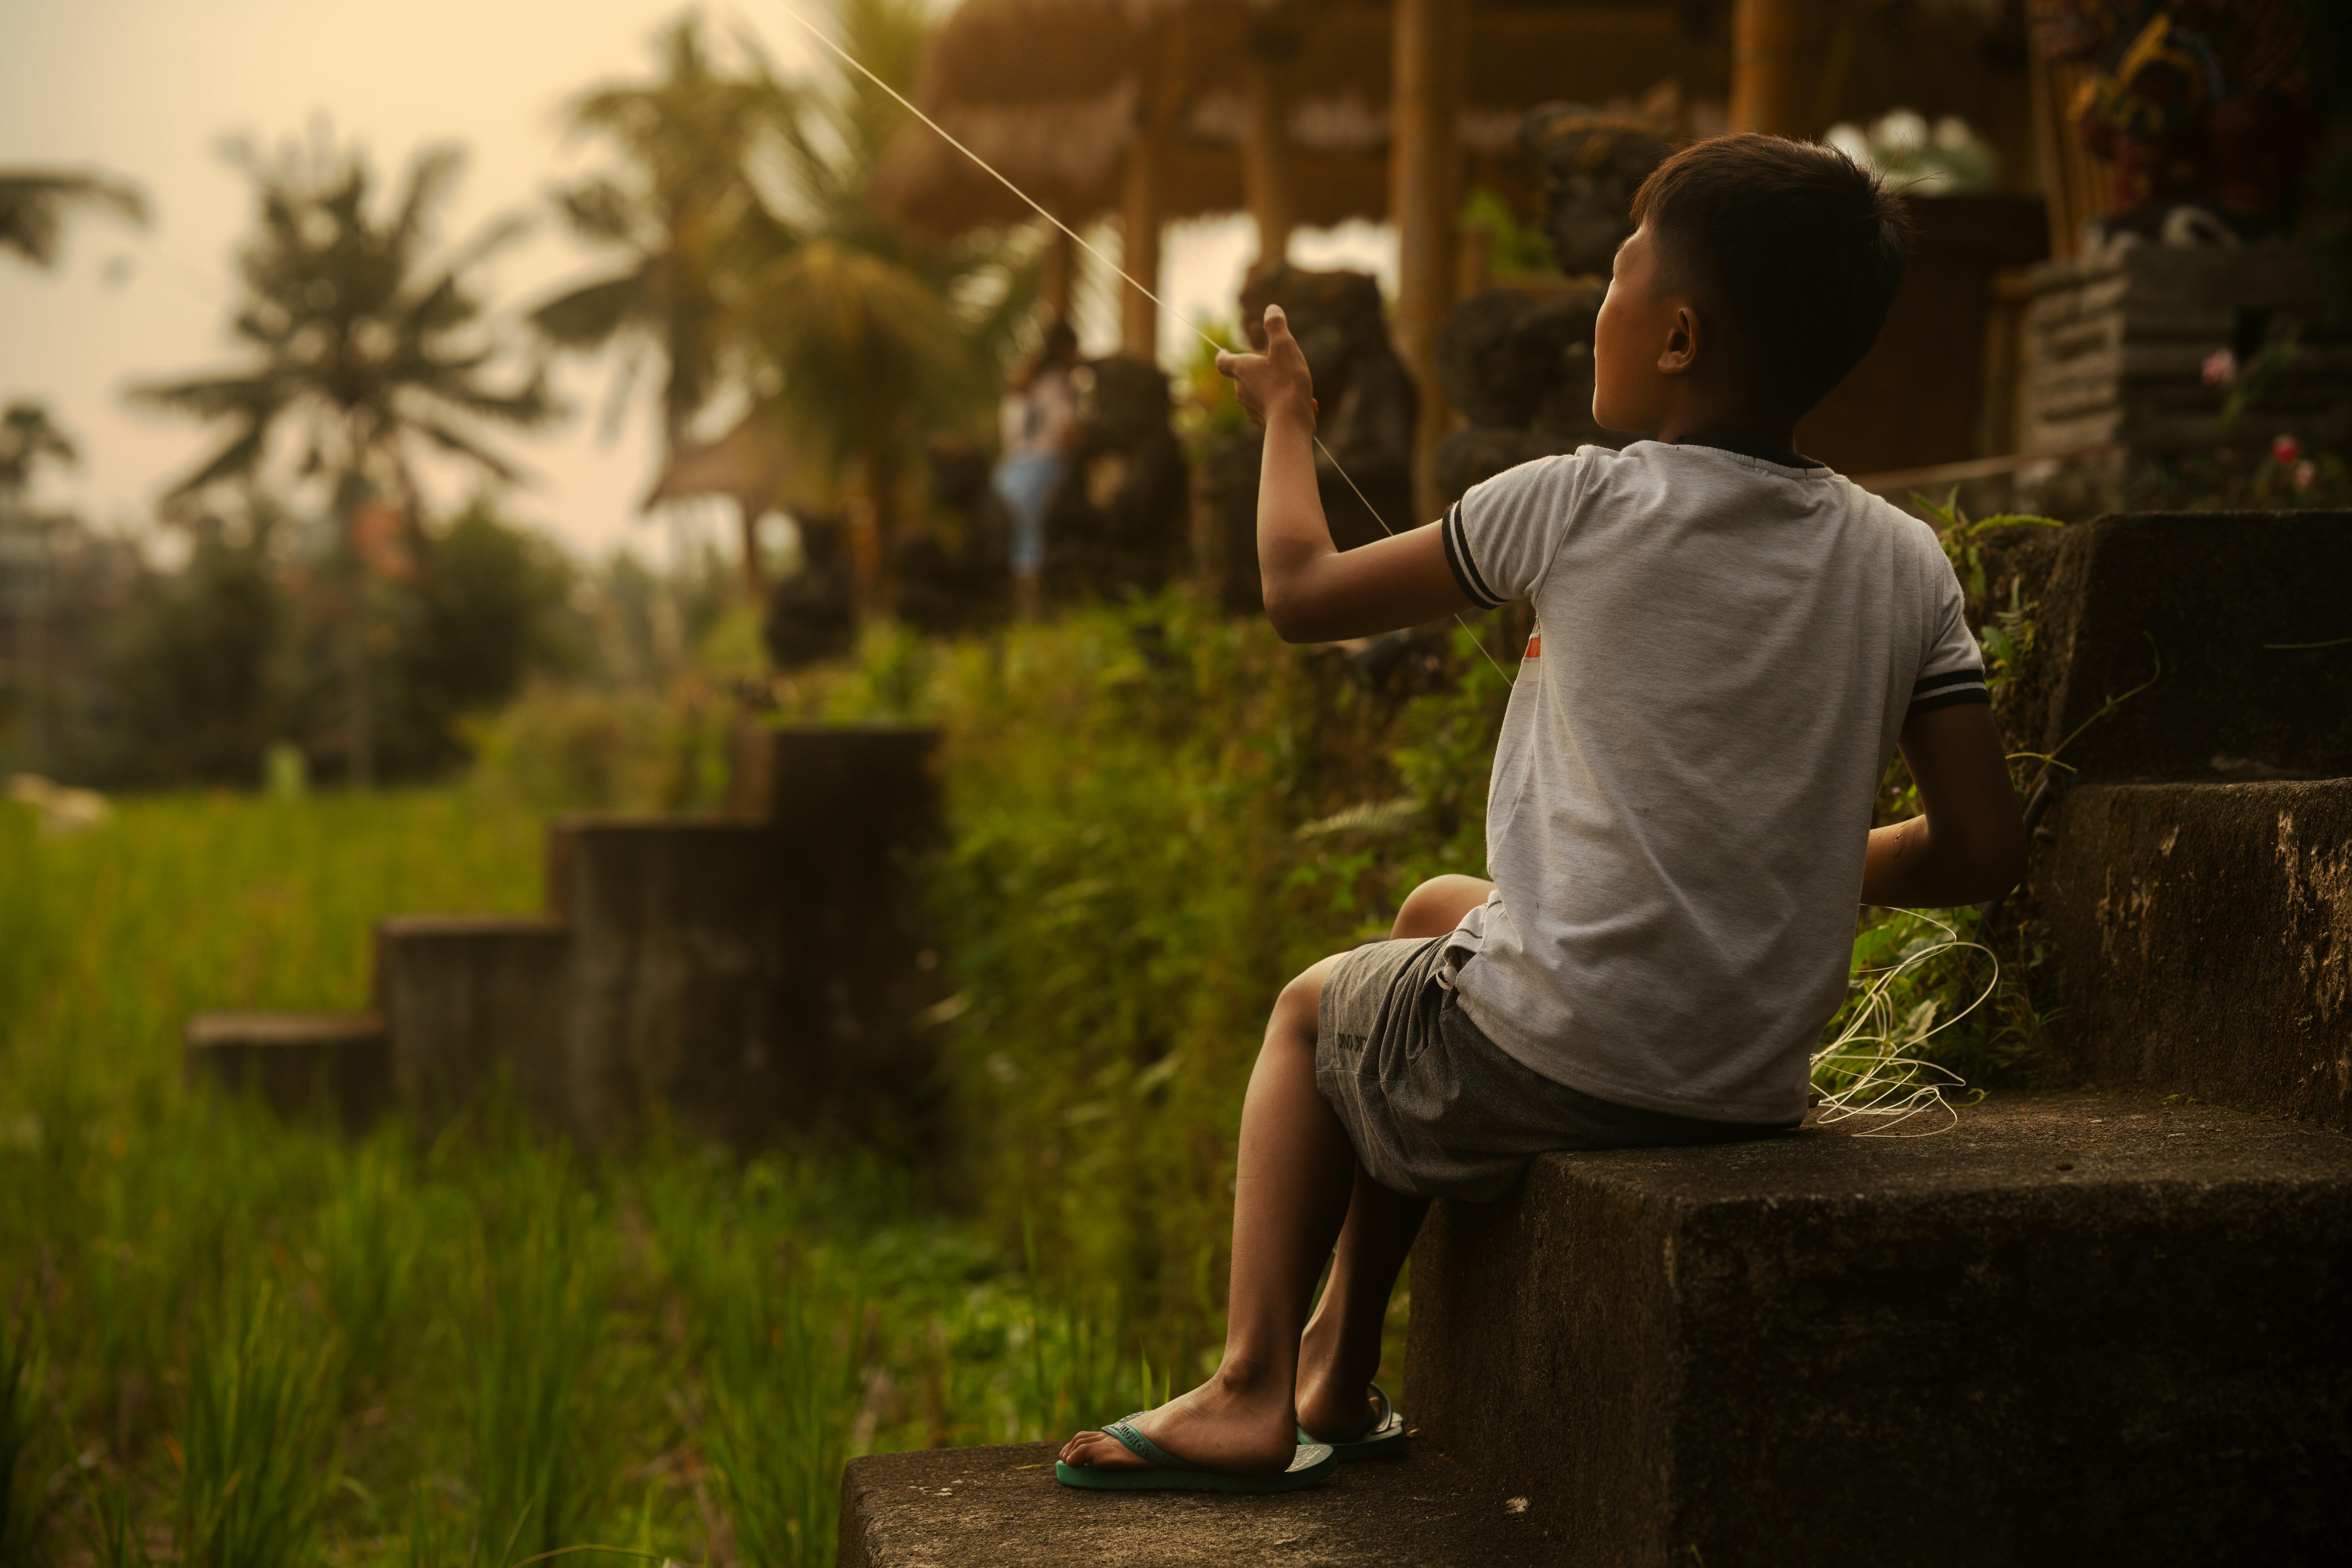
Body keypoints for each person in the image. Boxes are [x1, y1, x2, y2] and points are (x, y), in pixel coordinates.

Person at [1055, 134, 2028, 1493]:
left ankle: (1248, 1385)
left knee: (1310, 1014)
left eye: (1618, 279)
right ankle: (1339, 1366)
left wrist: (1285, 412)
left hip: (1576, 1051)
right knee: (1433, 920)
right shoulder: (1903, 558)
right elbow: (1983, 848)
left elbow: (1298, 588)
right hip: (1741, 1083)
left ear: (1678, 335)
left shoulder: (1575, 500)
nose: (1597, 307)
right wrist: (1797, 864)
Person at [992, 321, 1082, 613]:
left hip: (1010, 473)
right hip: (1042, 471)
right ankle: (1033, 616)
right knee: (1035, 548)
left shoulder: (1022, 384)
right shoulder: (1056, 383)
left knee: (1016, 548)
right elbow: (1065, 432)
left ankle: (1013, 616)